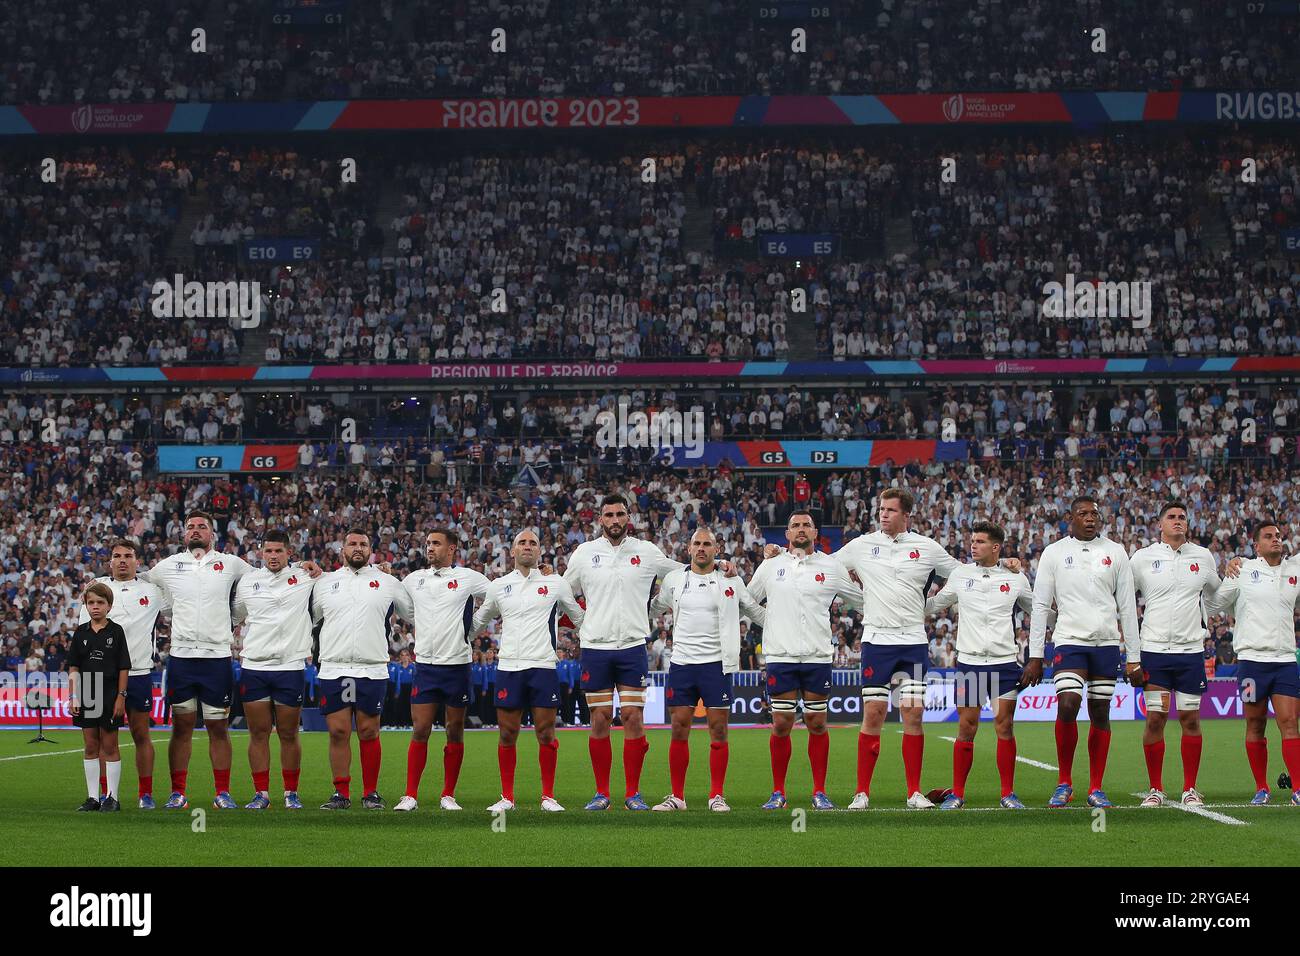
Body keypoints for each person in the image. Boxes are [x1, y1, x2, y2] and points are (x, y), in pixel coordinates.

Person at [834, 488, 1019, 810]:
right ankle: (861, 792)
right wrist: (858, 600)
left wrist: (1001, 562)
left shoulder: (927, 547)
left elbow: (965, 571)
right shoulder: (861, 546)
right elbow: (826, 569)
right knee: (874, 713)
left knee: (914, 713)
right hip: (877, 641)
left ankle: (914, 792)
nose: (883, 514)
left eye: (891, 510)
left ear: (906, 515)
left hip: (913, 642)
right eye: (882, 509)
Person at [147, 511, 319, 810]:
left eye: (202, 526)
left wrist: (308, 568)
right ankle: (178, 793)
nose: (196, 531)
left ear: (212, 533)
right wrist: (170, 610)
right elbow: (143, 584)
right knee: (181, 727)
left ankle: (224, 793)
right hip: (183, 656)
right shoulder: (168, 566)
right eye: (191, 527)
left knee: (219, 727)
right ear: (183, 534)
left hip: (218, 657)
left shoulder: (233, 565)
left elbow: (266, 587)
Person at [561, 493, 680, 811]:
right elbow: (563, 590)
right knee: (599, 718)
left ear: (629, 517)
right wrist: (582, 620)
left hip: (632, 647)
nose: (615, 520)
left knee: (632, 717)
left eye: (620, 514)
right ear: (600, 519)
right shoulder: (585, 553)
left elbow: (680, 574)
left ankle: (632, 793)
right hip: (595, 647)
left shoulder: (647, 552)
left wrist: (655, 609)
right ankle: (602, 793)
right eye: (609, 514)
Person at [1030, 496, 1141, 808]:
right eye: (1083, 513)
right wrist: (1036, 654)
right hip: (1069, 640)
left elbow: (1127, 607)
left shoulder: (1116, 552)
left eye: (1094, 513)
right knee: (1067, 704)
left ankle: (1095, 787)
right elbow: (1041, 605)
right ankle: (1064, 782)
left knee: (1101, 712)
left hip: (1106, 643)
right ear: (1071, 518)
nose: (1091, 518)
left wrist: (1134, 655)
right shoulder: (1054, 553)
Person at [750, 511, 862, 810]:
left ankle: (819, 792)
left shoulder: (831, 566)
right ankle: (778, 792)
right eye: (795, 525)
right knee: (781, 724)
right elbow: (748, 601)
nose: (800, 530)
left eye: (806, 525)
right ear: (786, 534)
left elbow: (860, 600)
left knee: (817, 723)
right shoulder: (771, 565)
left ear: (816, 533)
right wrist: (769, 620)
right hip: (781, 656)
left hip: (817, 655)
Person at [924, 522, 1039, 809]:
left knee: (1005, 726)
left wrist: (1038, 653)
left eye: (980, 541)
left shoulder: (1016, 578)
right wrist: (911, 596)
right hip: (970, 665)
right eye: (972, 540)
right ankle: (958, 795)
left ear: (996, 547)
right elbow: (936, 604)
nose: (973, 545)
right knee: (966, 727)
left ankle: (1007, 794)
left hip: (1003, 665)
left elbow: (1038, 611)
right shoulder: (962, 574)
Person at [650, 529, 765, 812]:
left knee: (719, 730)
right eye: (697, 544)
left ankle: (716, 795)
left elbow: (754, 611)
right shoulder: (676, 580)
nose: (701, 548)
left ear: (717, 549)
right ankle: (677, 796)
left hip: (717, 665)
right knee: (678, 729)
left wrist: (786, 619)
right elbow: (654, 608)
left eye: (707, 544)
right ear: (688, 549)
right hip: (682, 664)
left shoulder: (730, 579)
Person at [472, 529, 585, 812]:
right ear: (512, 551)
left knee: (546, 733)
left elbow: (579, 618)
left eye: (532, 543)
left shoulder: (556, 584)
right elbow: (477, 622)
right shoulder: (498, 586)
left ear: (539, 552)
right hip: (509, 666)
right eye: (522, 542)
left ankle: (548, 796)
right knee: (507, 734)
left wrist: (595, 643)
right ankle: (507, 798)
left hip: (543, 666)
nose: (527, 546)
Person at [312, 528, 414, 810]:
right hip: (334, 666)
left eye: (363, 544)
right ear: (341, 549)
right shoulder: (325, 583)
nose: (358, 548)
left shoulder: (387, 582)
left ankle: (370, 792)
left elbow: (413, 613)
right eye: (352, 544)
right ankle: (341, 793)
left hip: (372, 667)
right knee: (338, 732)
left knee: (369, 731)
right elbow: (310, 617)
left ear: (371, 550)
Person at [1129, 501, 1221, 808]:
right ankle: (1155, 789)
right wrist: (1131, 649)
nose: (1178, 521)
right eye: (1172, 517)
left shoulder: (1203, 556)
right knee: (1155, 719)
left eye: (1182, 517)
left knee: (1190, 719)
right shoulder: (1142, 558)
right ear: (1160, 524)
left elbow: (1217, 596)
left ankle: (1190, 788)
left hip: (1190, 652)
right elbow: (1124, 598)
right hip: (1153, 651)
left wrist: (1237, 572)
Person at [395, 528, 489, 812]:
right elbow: (402, 607)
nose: (430, 548)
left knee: (455, 730)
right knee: (420, 728)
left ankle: (448, 794)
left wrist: (473, 628)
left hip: (457, 666)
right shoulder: (414, 580)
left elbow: (498, 597)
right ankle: (410, 794)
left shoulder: (469, 578)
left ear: (451, 549)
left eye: (436, 544)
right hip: (425, 666)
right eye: (427, 544)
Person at [1207, 519, 1300, 805]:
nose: (1276, 539)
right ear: (1256, 545)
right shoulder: (1243, 570)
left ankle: (1297, 788)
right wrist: (1220, 572)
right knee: (1255, 723)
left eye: (1278, 535)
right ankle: (1262, 788)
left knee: (1289, 722)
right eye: (1268, 536)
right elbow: (1213, 605)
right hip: (1251, 662)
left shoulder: (1294, 569)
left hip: (1285, 660)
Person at [78, 539, 169, 809]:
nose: (122, 560)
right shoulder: (97, 589)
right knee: (105, 738)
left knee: (141, 734)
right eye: (117, 556)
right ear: (110, 561)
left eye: (128, 556)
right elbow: (85, 634)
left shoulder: (152, 591)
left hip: (138, 672)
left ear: (136, 561)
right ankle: (105, 796)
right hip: (102, 677)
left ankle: (146, 794)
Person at [231, 530, 314, 810]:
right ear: (261, 553)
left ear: (289, 552)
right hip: (254, 665)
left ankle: (291, 793)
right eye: (268, 551)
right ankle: (261, 793)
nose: (273, 556)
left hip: (290, 666)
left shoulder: (306, 578)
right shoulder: (248, 582)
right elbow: (235, 614)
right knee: (258, 733)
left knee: (289, 733)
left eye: (279, 551)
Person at [69, 583, 131, 812]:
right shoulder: (81, 633)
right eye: (91, 603)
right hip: (86, 692)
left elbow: (124, 667)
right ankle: (93, 797)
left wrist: (121, 697)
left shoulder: (116, 632)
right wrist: (73, 696)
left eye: (100, 603)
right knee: (90, 745)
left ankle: (112, 797)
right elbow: (74, 667)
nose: (95, 607)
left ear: (109, 606)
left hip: (109, 693)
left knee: (110, 745)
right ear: (86, 605)